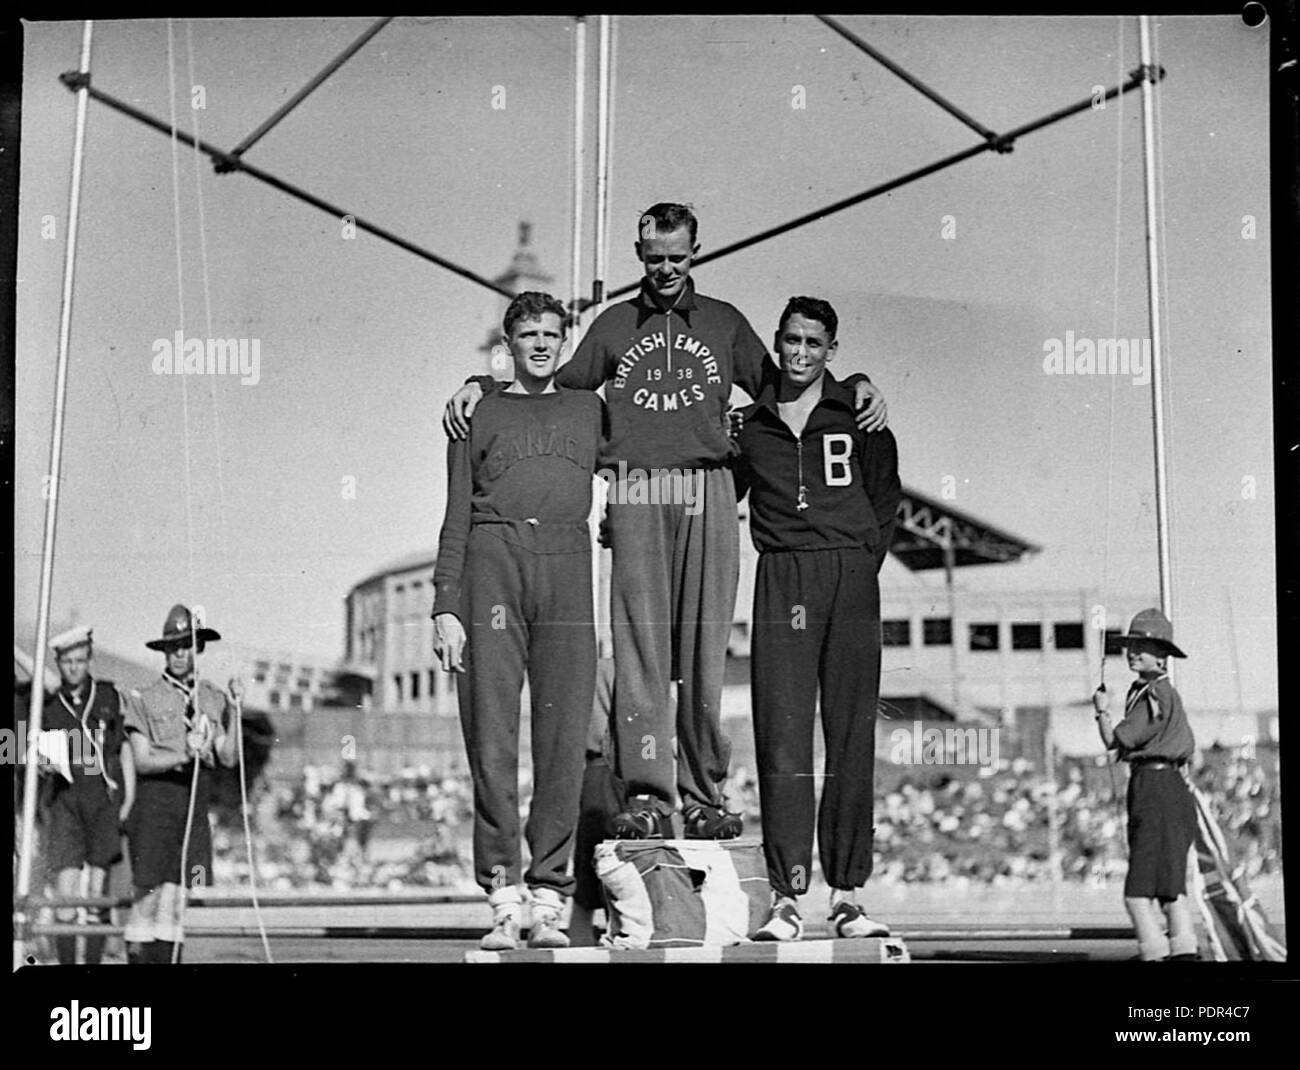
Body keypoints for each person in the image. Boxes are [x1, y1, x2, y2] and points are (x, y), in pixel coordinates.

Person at [444, 203, 889, 841]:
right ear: (639, 255)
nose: (667, 269)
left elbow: (788, 383)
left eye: (678, 257)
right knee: (641, 649)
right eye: (655, 259)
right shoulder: (613, 325)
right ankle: (650, 794)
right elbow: (547, 387)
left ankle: (704, 793)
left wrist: (858, 383)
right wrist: (477, 383)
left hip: (709, 486)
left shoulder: (725, 323)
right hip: (636, 488)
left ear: (696, 252)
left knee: (706, 647)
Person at [432, 291, 602, 951]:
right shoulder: (478, 412)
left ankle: (549, 894)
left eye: (550, 334)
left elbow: (648, 447)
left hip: (566, 560)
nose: (540, 344)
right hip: (491, 561)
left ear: (565, 340)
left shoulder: (590, 409)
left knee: (563, 740)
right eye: (527, 333)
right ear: (509, 342)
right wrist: (447, 603)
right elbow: (454, 513)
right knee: (492, 740)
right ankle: (504, 896)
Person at [733, 297, 900, 941]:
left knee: (851, 732)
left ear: (832, 350)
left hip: (850, 576)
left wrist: (860, 564)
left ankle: (850, 892)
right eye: (791, 340)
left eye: (813, 343)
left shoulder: (860, 412)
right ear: (777, 343)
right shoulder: (751, 422)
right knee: (782, 734)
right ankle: (785, 895)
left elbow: (885, 498)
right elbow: (722, 490)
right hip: (783, 575)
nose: (800, 353)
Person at [122, 605, 242, 964]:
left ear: (198, 649)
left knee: (176, 899)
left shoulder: (212, 697)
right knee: (147, 896)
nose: (180, 654)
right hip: (156, 800)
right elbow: (142, 760)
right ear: (163, 652)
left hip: (193, 803)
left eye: (187, 646)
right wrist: (183, 756)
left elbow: (229, 757)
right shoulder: (143, 696)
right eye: (173, 647)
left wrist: (235, 710)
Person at [1092, 608, 1199, 962]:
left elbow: (1117, 740)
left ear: (1162, 654)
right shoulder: (1164, 693)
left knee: (1137, 895)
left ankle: (1153, 955)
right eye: (1131, 645)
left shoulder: (1152, 695)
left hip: (1154, 789)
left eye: (1143, 646)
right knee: (1171, 891)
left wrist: (1101, 712)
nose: (1134, 652)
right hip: (1170, 789)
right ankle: (1185, 953)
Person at [25, 625, 135, 965]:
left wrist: (128, 797)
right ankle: (69, 964)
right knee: (66, 890)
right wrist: (39, 762)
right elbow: (20, 751)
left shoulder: (107, 696)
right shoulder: (47, 705)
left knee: (98, 893)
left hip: (102, 798)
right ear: (58, 662)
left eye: (80, 660)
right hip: (65, 801)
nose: (74, 667)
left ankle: (94, 963)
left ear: (89, 659)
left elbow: (124, 748)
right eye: (67, 661)